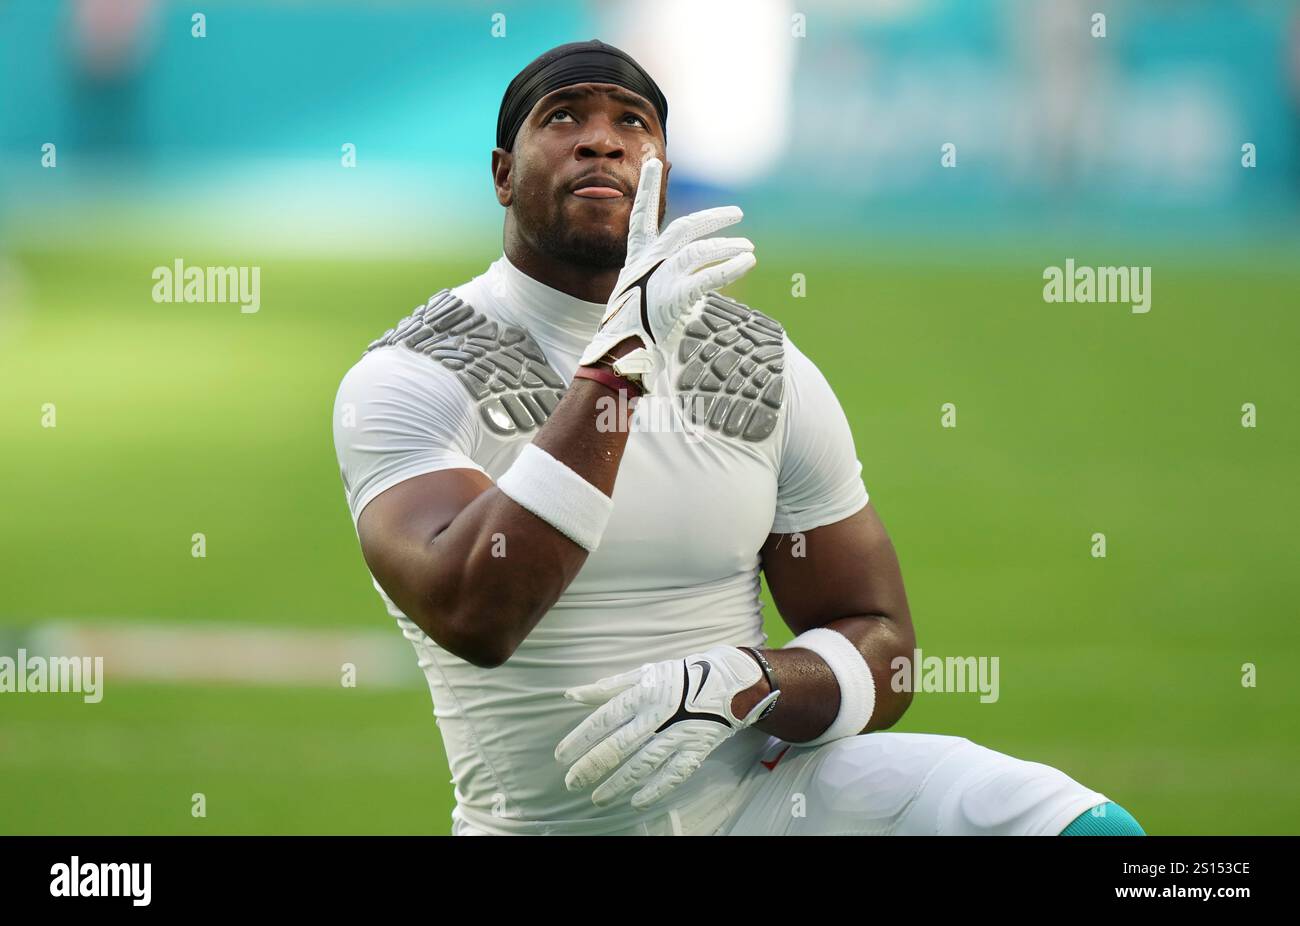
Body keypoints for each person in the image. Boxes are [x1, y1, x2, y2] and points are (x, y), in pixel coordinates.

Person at [332, 39, 1144, 836]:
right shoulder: (416, 373)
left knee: (1080, 829)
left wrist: (746, 684)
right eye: (564, 116)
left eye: (633, 121)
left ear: (663, 176)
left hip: (765, 801)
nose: (601, 139)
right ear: (503, 175)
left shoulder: (758, 363)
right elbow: (477, 613)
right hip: (551, 827)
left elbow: (883, 643)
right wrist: (618, 365)